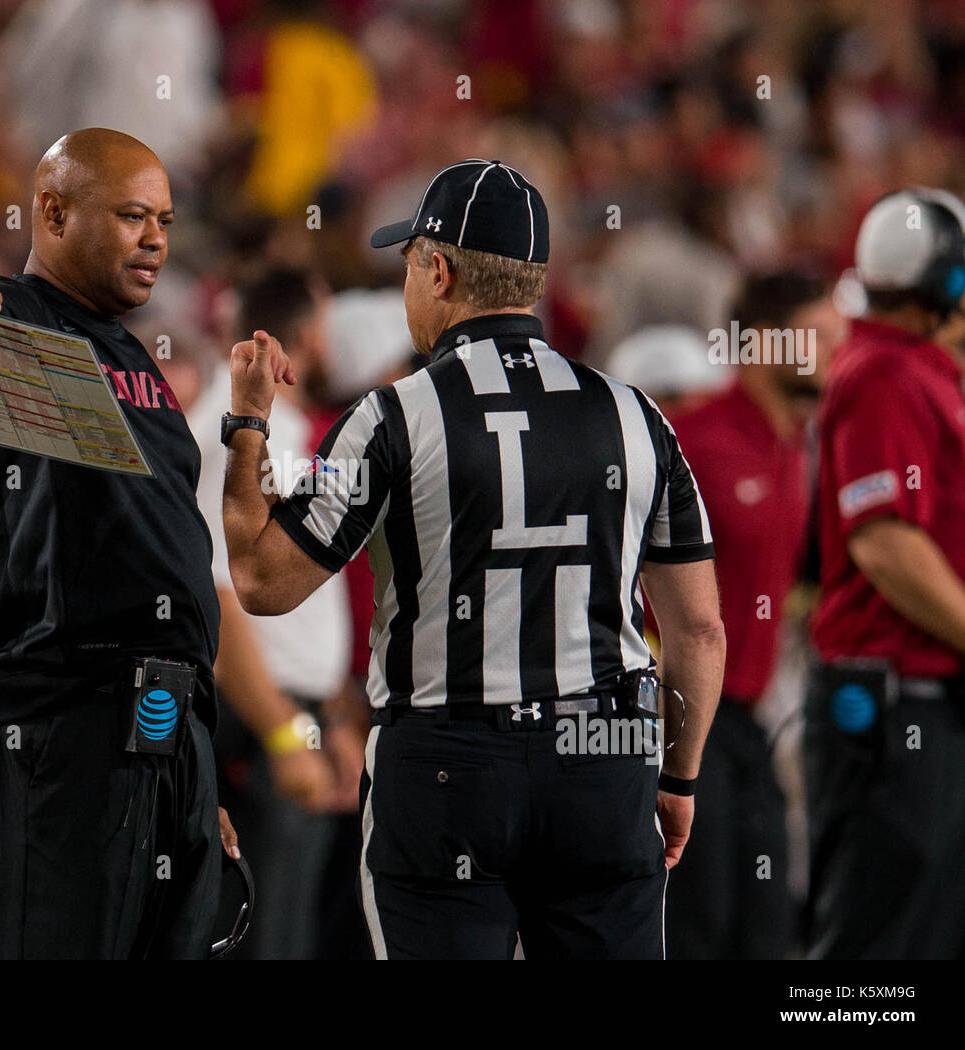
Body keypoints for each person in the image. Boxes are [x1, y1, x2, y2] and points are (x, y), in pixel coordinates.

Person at [220, 159, 726, 959]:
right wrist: (679, 777)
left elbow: (260, 580)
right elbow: (697, 630)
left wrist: (247, 420)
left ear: (439, 268)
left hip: (447, 762)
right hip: (603, 753)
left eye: (410, 265)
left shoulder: (389, 416)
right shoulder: (637, 415)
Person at [0, 128, 278, 959]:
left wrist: (190, 761)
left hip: (159, 725)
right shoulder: (7, 320)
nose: (155, 237)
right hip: (58, 718)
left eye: (165, 218)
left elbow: (167, 561)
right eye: (130, 215)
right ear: (51, 210)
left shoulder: (136, 359)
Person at [661, 272, 843, 959]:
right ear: (766, 345)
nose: (837, 352)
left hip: (750, 728)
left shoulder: (795, 444)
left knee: (768, 931)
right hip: (680, 726)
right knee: (697, 932)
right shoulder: (693, 442)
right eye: (822, 338)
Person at [806, 188, 965, 959]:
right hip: (893, 698)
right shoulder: (883, 374)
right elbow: (884, 541)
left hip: (923, 697)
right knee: (875, 952)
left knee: (922, 934)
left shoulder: (915, 370)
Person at [188, 265, 361, 959]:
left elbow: (304, 610)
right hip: (260, 718)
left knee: (293, 932)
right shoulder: (236, 438)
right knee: (266, 938)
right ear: (310, 334)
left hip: (298, 711)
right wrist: (289, 733)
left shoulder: (286, 435)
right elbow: (218, 594)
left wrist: (331, 716)